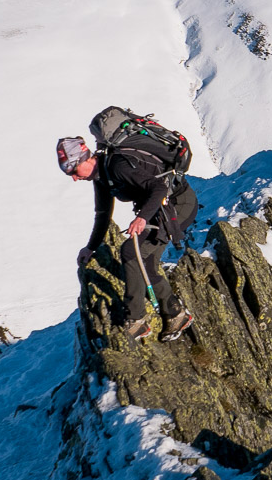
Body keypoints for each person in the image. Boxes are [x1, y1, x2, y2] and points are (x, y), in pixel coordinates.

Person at [58, 133, 198, 340]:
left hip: (179, 205)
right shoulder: (102, 176)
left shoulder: (117, 166)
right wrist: (91, 247)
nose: (74, 177)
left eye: (74, 170)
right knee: (145, 260)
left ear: (86, 159)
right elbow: (103, 214)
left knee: (131, 251)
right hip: (163, 208)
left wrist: (142, 218)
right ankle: (175, 313)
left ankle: (136, 319)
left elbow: (159, 188)